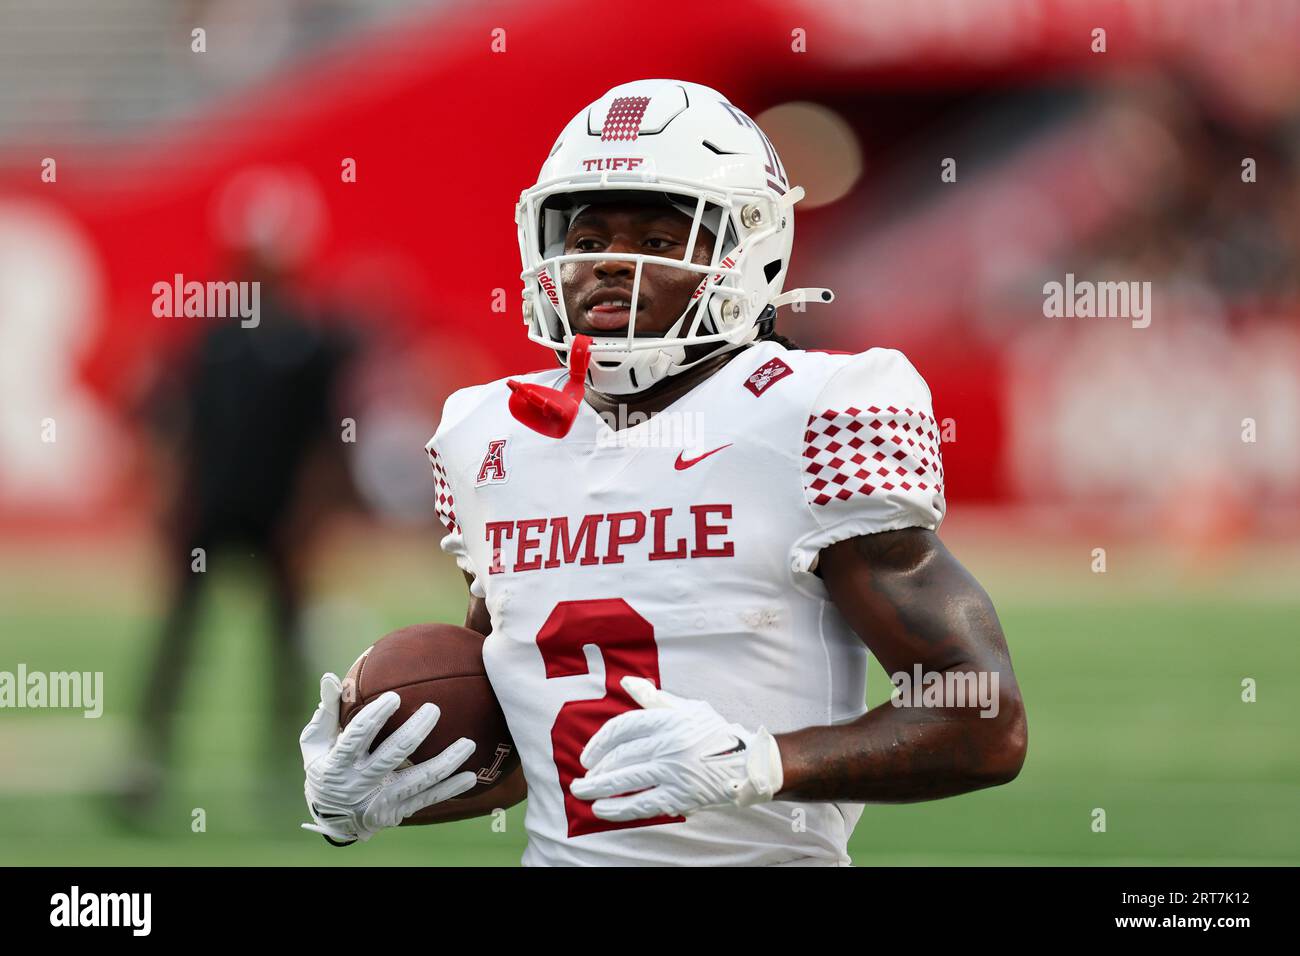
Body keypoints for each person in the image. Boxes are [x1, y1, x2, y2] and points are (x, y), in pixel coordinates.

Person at [299, 79, 1027, 866]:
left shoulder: (811, 411)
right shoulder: (489, 434)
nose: (611, 264)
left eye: (658, 235)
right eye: (587, 240)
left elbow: (983, 722)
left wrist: (760, 764)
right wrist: (366, 797)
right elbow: (528, 743)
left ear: (751, 249)